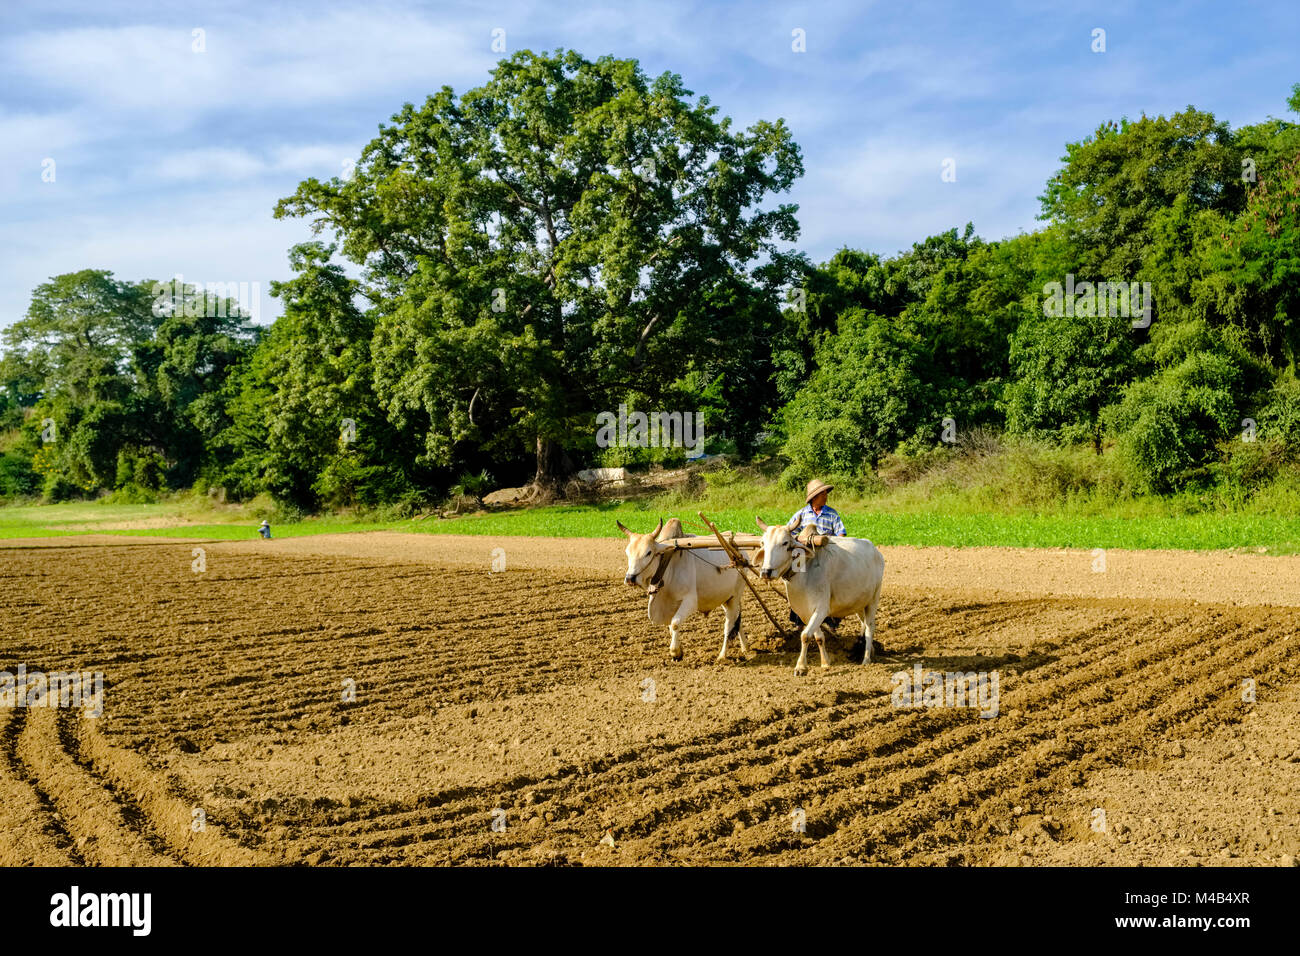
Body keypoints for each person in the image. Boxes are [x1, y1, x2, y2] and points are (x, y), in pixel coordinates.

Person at [787, 478, 844, 631]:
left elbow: (841, 535)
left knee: (829, 584)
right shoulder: (801, 515)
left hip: (826, 554)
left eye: (826, 493)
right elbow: (788, 533)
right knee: (796, 583)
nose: (826, 496)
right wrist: (802, 539)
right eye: (823, 494)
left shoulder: (832, 514)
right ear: (814, 497)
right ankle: (799, 621)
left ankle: (831, 623)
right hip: (803, 554)